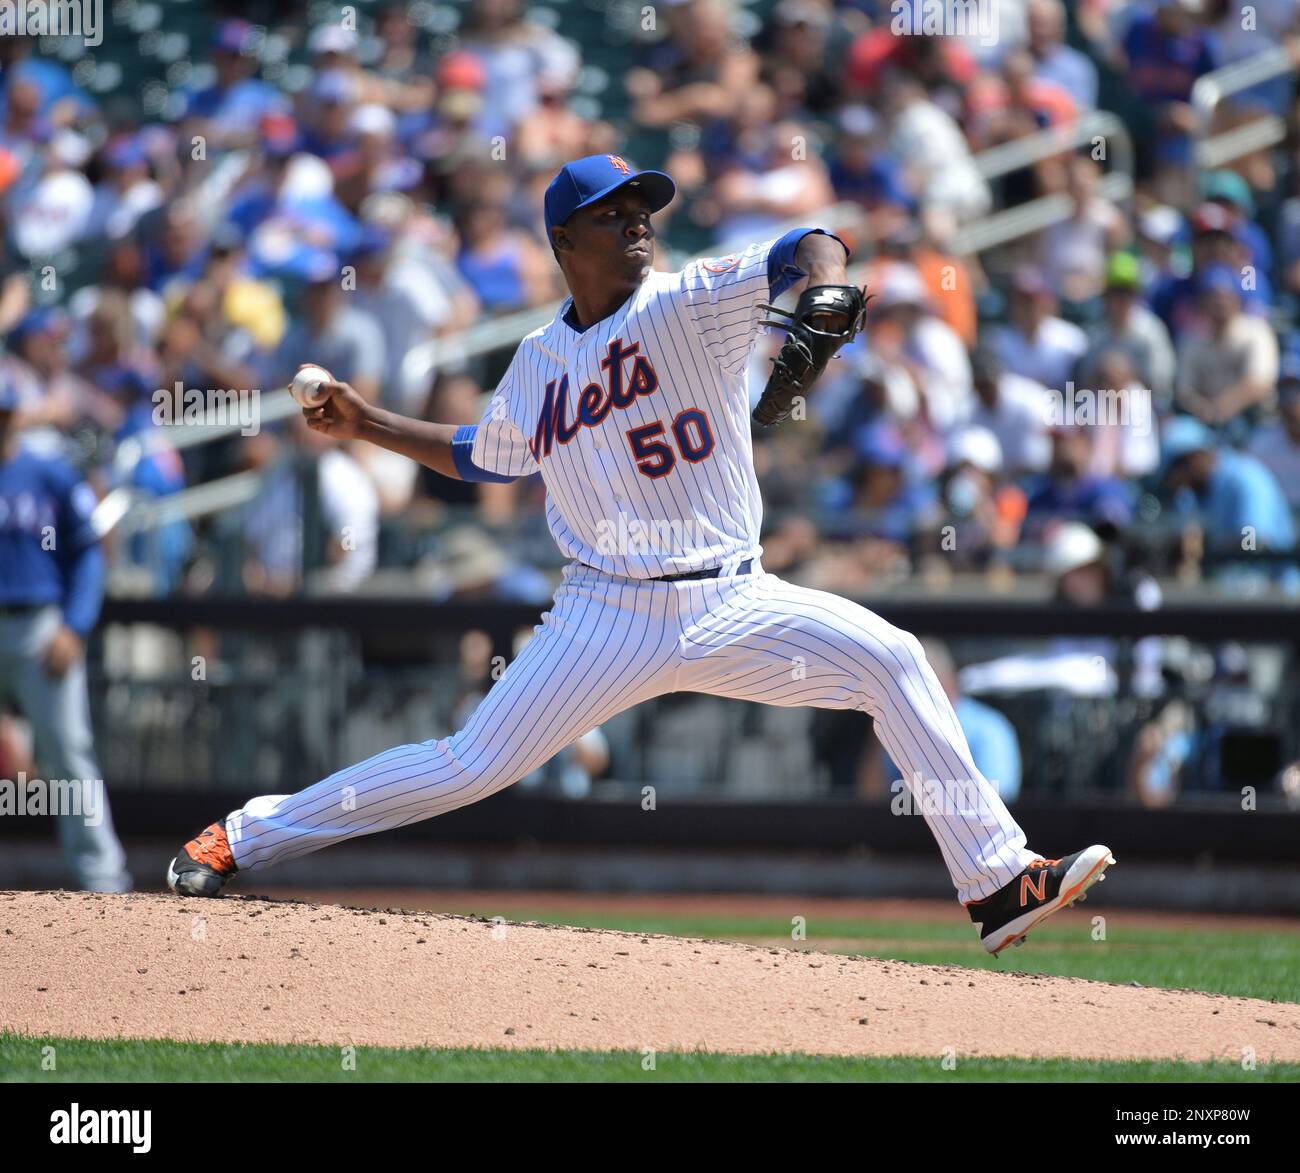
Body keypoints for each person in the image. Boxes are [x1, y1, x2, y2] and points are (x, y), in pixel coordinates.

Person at [166, 153, 1114, 955]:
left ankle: (996, 884)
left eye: (641, 209)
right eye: (608, 214)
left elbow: (806, 243)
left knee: (894, 658)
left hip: (733, 598)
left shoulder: (690, 301)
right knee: (463, 766)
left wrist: (822, 279)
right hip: (602, 614)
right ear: (562, 244)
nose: (634, 224)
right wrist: (367, 422)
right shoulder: (538, 360)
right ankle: (241, 838)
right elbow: (483, 456)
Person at [0, 378, 131, 892]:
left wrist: (74, 627)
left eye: (5, 414)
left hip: (39, 626)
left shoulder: (47, 472)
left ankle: (103, 882)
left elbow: (89, 554)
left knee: (68, 754)